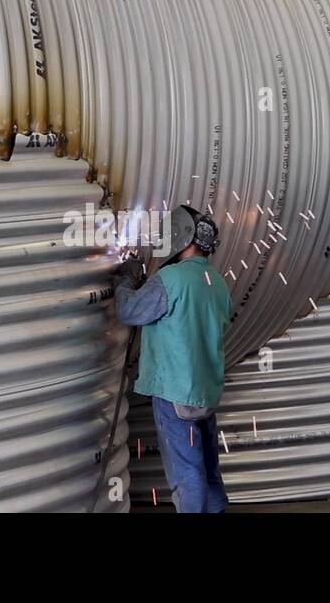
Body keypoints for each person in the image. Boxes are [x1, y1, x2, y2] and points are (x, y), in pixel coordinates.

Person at [113, 205, 232, 513]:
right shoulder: (216, 281)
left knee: (186, 478)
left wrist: (126, 280)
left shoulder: (171, 278)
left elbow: (130, 311)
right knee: (208, 473)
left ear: (183, 237)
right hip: (204, 393)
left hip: (175, 394)